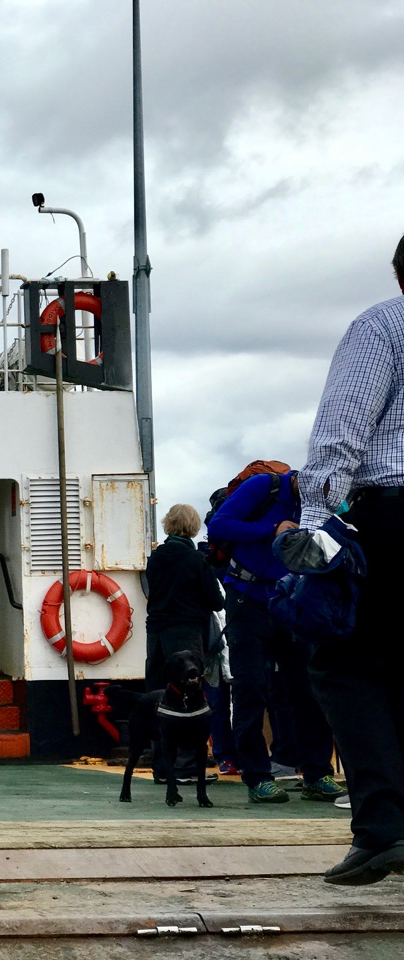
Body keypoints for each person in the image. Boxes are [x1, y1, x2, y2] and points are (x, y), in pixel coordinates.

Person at [297, 232, 404, 884]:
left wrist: (316, 535)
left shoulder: (382, 327)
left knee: (347, 668)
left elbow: (341, 432)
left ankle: (383, 829)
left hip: (390, 515)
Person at [207, 469, 344, 805]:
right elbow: (218, 526)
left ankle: (317, 773)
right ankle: (257, 776)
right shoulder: (262, 487)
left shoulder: (322, 502)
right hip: (247, 597)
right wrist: (271, 529)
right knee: (251, 685)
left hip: (291, 599)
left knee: (307, 685)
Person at [143, 504, 224, 782]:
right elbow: (216, 600)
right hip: (186, 635)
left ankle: (162, 769)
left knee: (159, 698)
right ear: (193, 526)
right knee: (189, 699)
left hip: (155, 633)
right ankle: (187, 767)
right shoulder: (195, 559)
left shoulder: (155, 558)